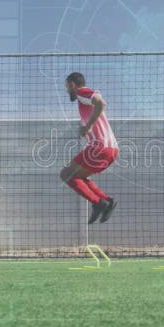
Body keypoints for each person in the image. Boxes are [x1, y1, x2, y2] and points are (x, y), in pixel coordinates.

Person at [59, 72, 119, 223]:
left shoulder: (82, 92)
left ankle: (99, 203)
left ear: (72, 84)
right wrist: (85, 130)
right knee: (78, 177)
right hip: (111, 149)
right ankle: (106, 201)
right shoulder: (83, 103)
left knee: (66, 174)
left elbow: (101, 103)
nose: (67, 91)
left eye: (67, 87)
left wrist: (89, 126)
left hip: (100, 147)